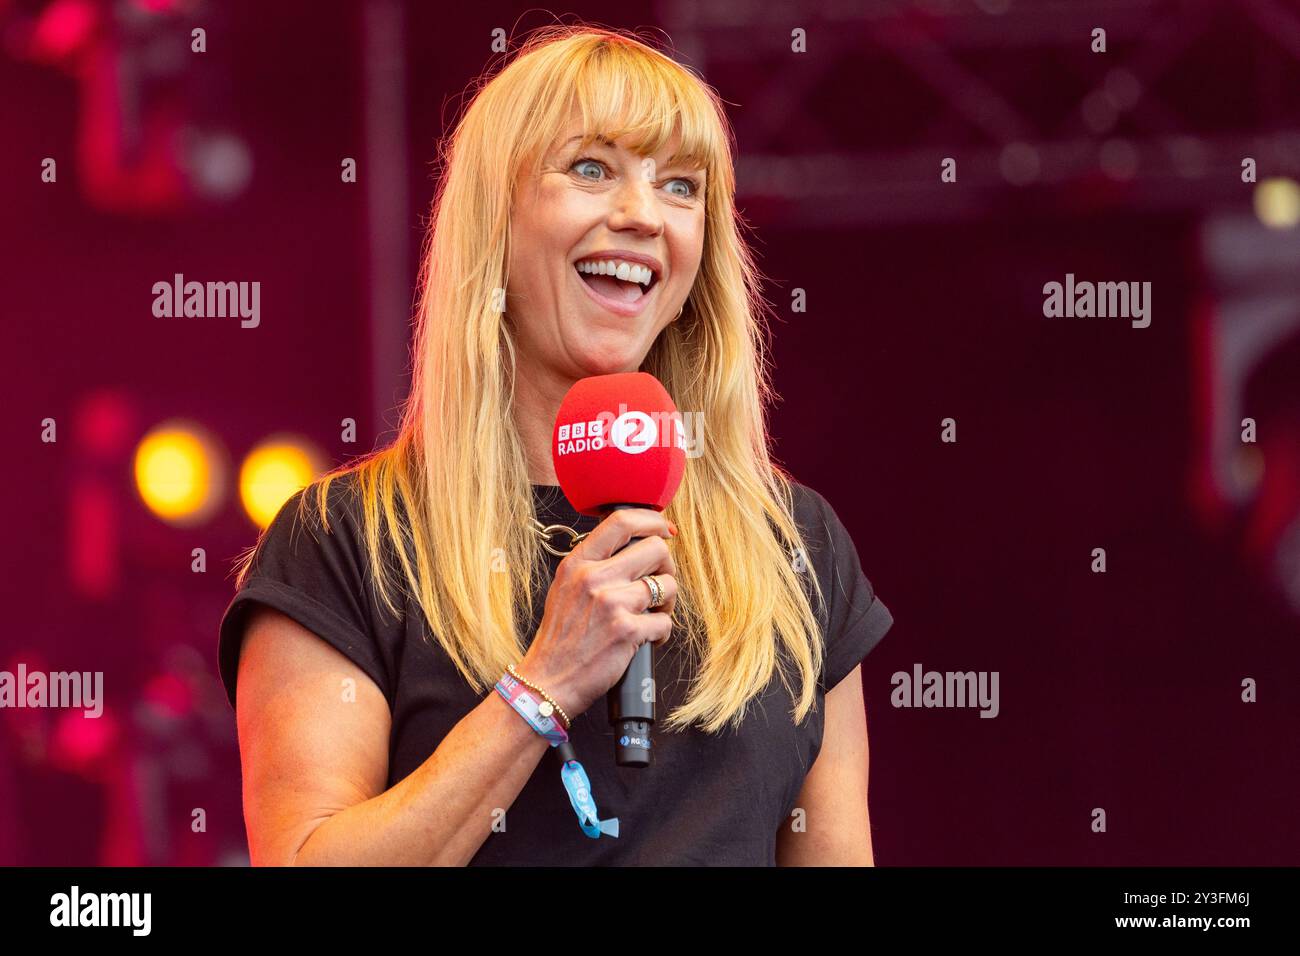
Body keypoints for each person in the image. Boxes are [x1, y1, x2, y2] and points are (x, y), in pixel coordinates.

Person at [217, 25, 894, 866]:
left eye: (681, 186)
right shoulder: (349, 544)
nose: (643, 214)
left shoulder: (797, 546)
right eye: (590, 169)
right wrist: (542, 688)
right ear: (493, 224)